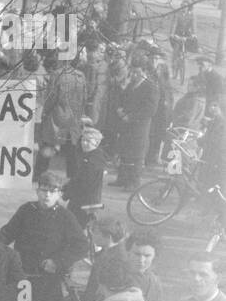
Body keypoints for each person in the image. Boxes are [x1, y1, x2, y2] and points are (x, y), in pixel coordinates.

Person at [0, 171, 87, 301]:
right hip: (24, 278)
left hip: (48, 281)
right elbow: (7, 233)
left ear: (59, 194)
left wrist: (58, 261)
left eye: (52, 191)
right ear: (37, 191)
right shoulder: (26, 210)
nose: (47, 195)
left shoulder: (65, 216)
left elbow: (81, 245)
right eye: (43, 190)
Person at [39, 50, 88, 177]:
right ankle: (73, 177)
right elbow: (84, 98)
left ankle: (39, 174)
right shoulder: (81, 76)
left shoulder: (57, 74)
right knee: (72, 149)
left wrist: (45, 113)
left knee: (48, 145)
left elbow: (51, 98)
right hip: (74, 118)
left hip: (58, 117)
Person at [114, 56, 158, 189]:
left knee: (136, 155)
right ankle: (122, 178)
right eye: (132, 72)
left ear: (144, 71)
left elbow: (150, 110)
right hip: (126, 124)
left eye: (137, 72)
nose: (133, 75)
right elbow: (124, 98)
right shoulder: (132, 84)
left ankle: (133, 183)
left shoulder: (151, 87)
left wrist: (132, 117)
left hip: (139, 126)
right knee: (124, 151)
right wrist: (120, 109)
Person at [65, 125, 108, 225]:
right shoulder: (91, 156)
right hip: (86, 199)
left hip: (85, 201)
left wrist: (67, 192)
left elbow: (83, 183)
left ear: (96, 143)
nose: (84, 143)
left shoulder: (92, 161)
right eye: (83, 140)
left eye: (88, 141)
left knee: (75, 225)